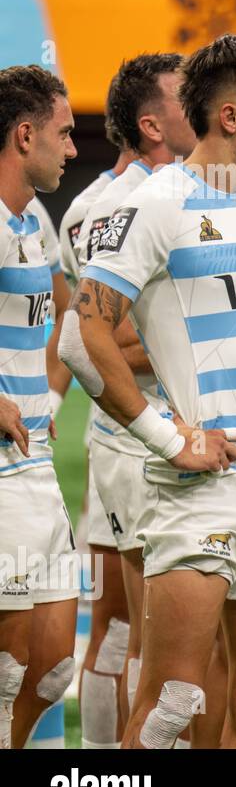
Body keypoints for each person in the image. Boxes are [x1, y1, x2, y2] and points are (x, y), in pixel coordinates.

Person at [61, 33, 236, 749]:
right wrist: (168, 438)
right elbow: (83, 334)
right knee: (173, 702)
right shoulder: (154, 204)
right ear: (232, 118)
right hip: (200, 488)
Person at [63, 53, 198, 749]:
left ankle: (101, 768)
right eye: (187, 100)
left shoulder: (92, 204)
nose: (202, 109)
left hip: (125, 438)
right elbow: (88, 343)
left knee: (120, 627)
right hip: (147, 438)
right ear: (152, 125)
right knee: (154, 635)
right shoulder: (129, 206)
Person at [0, 64, 79, 749]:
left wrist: (46, 395)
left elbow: (61, 312)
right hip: (2, 477)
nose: (74, 149)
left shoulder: (33, 215)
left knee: (50, 669)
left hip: (35, 459)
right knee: (7, 669)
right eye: (64, 133)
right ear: (25, 136)